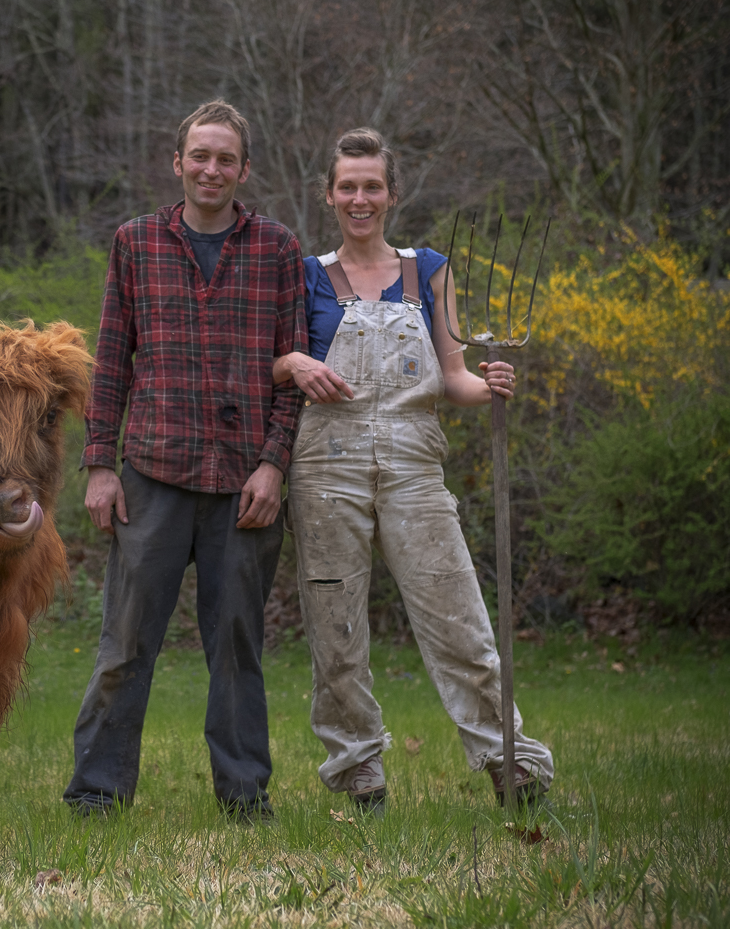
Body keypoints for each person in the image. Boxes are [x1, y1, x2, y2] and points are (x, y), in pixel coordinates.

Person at [275, 128, 554, 815]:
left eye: (373, 186)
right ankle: (358, 773)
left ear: (392, 193)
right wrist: (293, 364)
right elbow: (278, 362)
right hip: (326, 466)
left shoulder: (428, 269)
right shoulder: (304, 273)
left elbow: (450, 378)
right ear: (330, 194)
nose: (360, 198)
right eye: (348, 186)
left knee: (457, 616)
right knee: (336, 627)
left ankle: (510, 764)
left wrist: (489, 387)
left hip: (412, 464)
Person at [63, 100, 305, 821]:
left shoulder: (278, 249)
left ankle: (243, 796)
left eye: (225, 158)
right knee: (125, 643)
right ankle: (95, 795)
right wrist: (100, 464)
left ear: (244, 170)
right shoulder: (136, 242)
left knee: (238, 648)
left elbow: (294, 372)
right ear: (178, 163)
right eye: (199, 155)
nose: (211, 169)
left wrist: (274, 466)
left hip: (245, 487)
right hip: (153, 475)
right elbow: (111, 361)